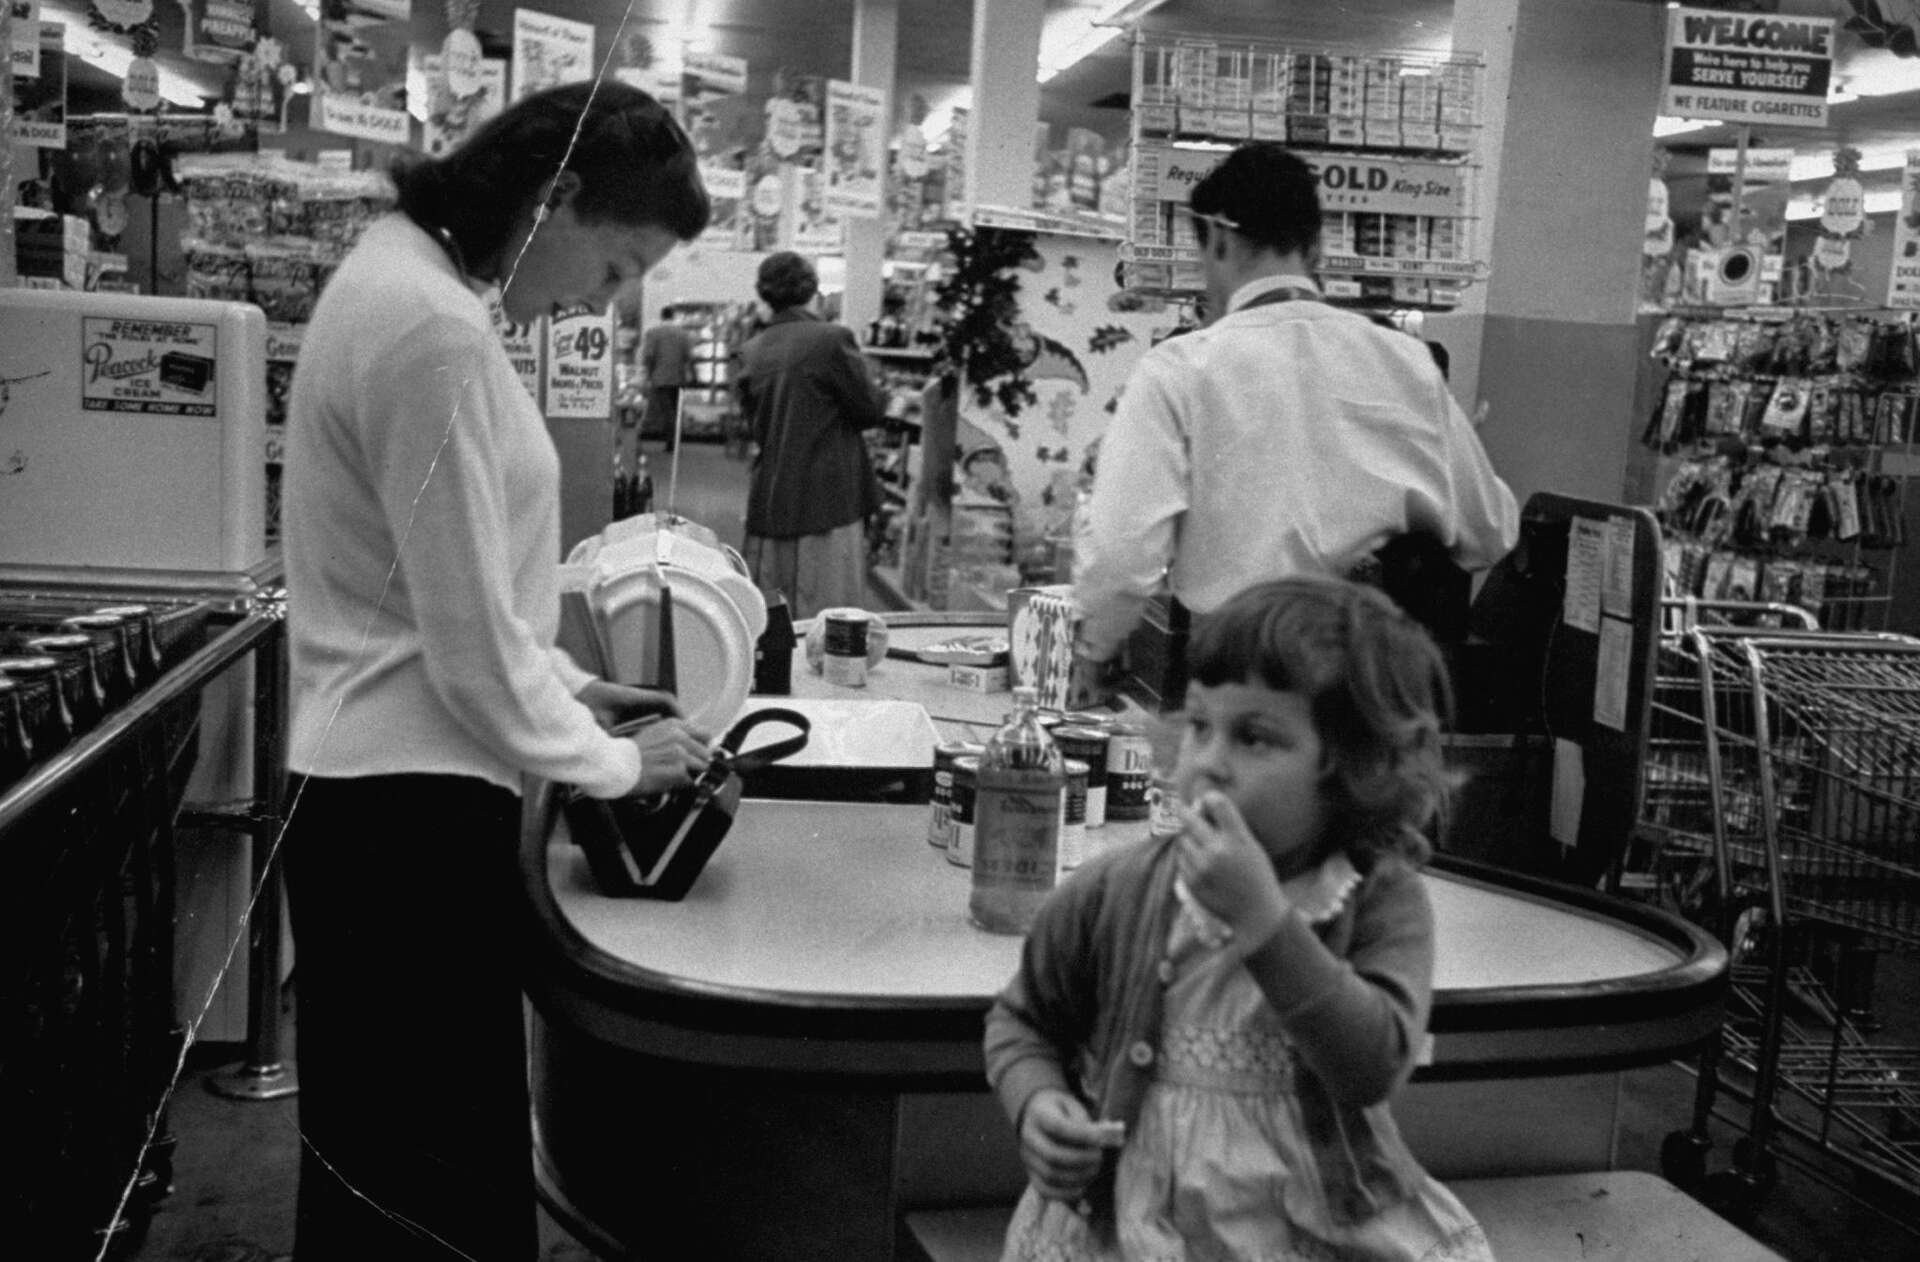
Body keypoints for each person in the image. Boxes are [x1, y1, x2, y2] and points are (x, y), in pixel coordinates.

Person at [280, 81, 714, 1261]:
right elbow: (467, 652)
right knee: (426, 1176)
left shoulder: (407, 280)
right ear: (557, 195)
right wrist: (619, 761)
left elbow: (433, 607)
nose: (600, 300)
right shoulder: (434, 331)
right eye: (616, 266)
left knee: (395, 1162)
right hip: (404, 817)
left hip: (375, 796)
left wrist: (571, 693)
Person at [985, 576, 1494, 1261]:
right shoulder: (1119, 887)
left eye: (1254, 737)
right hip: (1133, 1228)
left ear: (1352, 767)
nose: (1211, 764)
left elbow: (1372, 1065)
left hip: (1318, 1228)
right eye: (1199, 726)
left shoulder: (1376, 897)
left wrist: (1267, 923)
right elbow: (1023, 1019)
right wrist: (1036, 1103)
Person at [1069, 141, 1519, 706]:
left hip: (1245, 674)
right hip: (1377, 686)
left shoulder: (1179, 370)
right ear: (1315, 247)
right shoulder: (1405, 362)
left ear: (1220, 239)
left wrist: (1095, 650)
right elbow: (1492, 531)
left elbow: (1122, 554)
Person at [734, 250, 887, 618]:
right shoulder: (831, 340)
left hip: (771, 495)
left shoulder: (752, 350)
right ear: (811, 289)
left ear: (764, 292)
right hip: (828, 497)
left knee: (774, 613)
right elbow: (870, 410)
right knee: (830, 616)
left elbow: (755, 423)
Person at [638, 303, 696, 451]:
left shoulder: (653, 333)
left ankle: (671, 440)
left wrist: (649, 373)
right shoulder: (683, 334)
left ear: (661, 317)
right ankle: (674, 438)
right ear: (673, 317)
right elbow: (689, 357)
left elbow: (649, 356)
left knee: (666, 410)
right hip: (678, 377)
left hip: (660, 377)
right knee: (675, 409)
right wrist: (693, 375)